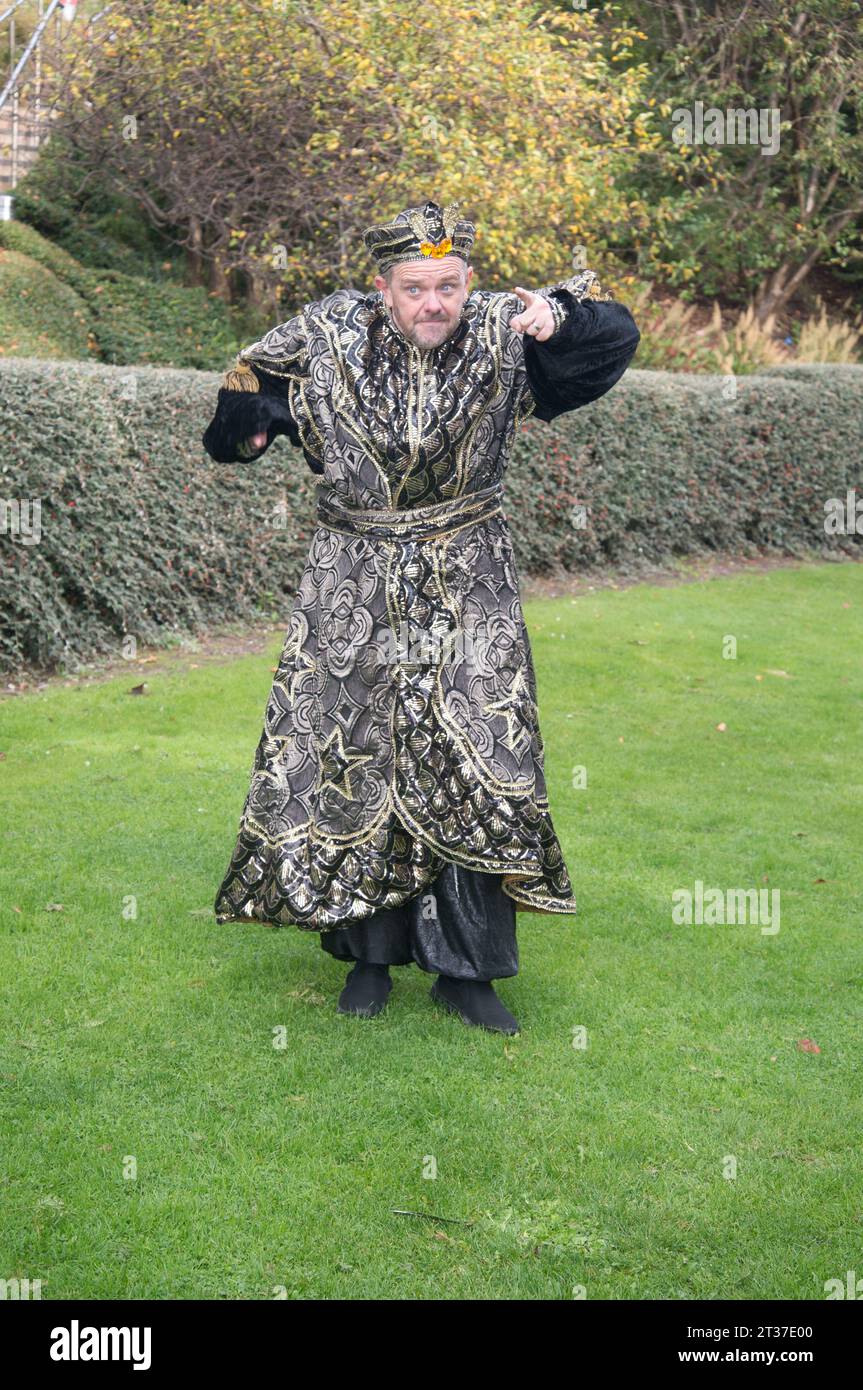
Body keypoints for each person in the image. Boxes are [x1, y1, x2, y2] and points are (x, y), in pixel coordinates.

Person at [202, 198, 639, 1035]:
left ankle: (466, 972)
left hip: (467, 576)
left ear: (466, 282)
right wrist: (252, 429)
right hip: (351, 579)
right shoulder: (326, 333)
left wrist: (560, 316)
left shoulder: (504, 332)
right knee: (349, 750)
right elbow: (239, 401)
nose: (432, 303)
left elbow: (611, 342)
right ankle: (368, 960)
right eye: (414, 287)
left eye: (447, 285)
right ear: (383, 287)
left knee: (479, 751)